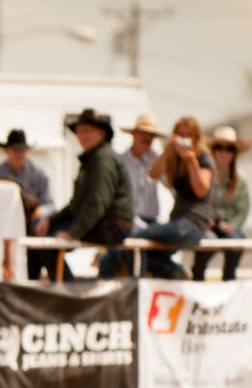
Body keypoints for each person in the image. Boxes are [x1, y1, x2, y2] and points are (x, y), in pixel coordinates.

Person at [32, 108, 133, 282]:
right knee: (42, 238)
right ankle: (51, 284)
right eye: (79, 131)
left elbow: (97, 202)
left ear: (101, 133)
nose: (82, 136)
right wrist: (51, 220)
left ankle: (70, 291)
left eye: (87, 131)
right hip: (102, 221)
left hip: (112, 225)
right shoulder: (92, 159)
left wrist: (73, 233)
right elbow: (77, 204)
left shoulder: (103, 159)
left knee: (48, 244)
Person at [135, 116, 214, 280]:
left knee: (137, 239)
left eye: (189, 135)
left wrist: (192, 161)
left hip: (192, 224)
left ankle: (137, 288)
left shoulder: (203, 157)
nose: (184, 139)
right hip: (176, 221)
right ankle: (177, 274)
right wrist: (168, 149)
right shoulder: (173, 157)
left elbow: (201, 191)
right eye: (180, 134)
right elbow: (153, 173)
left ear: (196, 138)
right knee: (150, 254)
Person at [99, 113, 165, 278]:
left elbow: (171, 185)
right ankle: (133, 290)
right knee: (134, 250)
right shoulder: (120, 161)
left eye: (152, 135)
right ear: (134, 134)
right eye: (144, 133)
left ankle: (135, 290)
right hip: (126, 221)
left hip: (150, 222)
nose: (148, 138)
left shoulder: (156, 159)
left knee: (162, 255)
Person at [0, 129, 54, 280]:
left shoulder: (39, 172)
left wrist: (40, 212)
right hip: (5, 231)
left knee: (34, 260)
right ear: (7, 151)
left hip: (32, 227)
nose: (19, 154)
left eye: (22, 150)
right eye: (15, 150)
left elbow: (49, 204)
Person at [191, 126, 249, 282]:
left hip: (229, 227)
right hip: (207, 225)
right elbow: (197, 200)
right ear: (213, 150)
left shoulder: (240, 180)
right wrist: (206, 220)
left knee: (236, 242)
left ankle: (228, 285)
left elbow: (243, 210)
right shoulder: (205, 174)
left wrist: (232, 225)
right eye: (219, 147)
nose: (224, 152)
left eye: (229, 148)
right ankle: (197, 281)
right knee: (207, 241)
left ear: (234, 153)